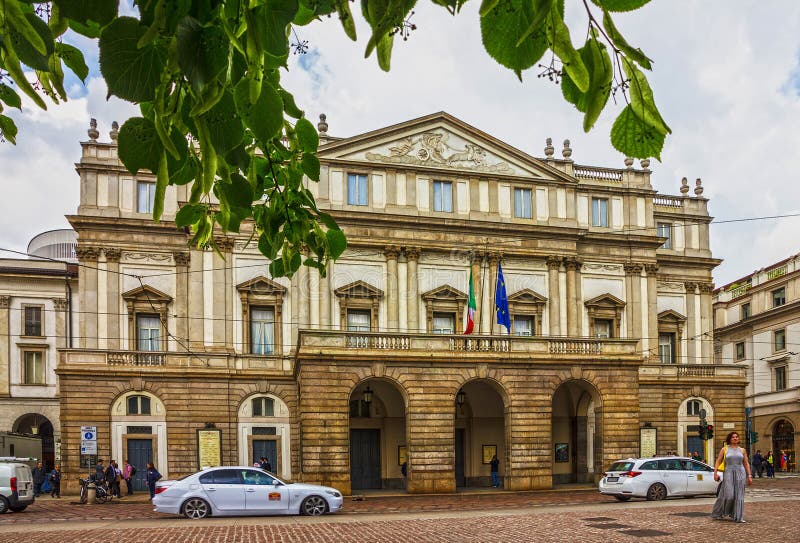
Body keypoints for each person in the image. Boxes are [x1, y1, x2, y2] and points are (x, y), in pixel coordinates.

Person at [711, 431, 752, 522]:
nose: (735, 438)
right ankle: (722, 511)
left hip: (740, 472)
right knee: (729, 495)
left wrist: (749, 475)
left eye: (736, 437)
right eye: (733, 437)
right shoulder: (724, 449)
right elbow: (718, 461)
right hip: (728, 472)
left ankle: (737, 516)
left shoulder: (742, 450)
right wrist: (715, 473)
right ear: (729, 439)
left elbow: (746, 463)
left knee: (739, 495)